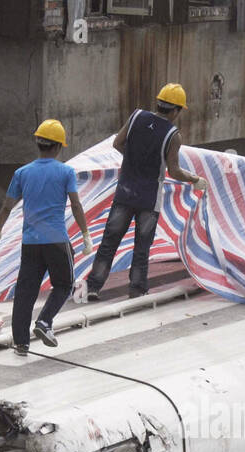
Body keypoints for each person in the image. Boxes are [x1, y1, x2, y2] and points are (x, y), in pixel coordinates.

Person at [84, 83, 207, 301]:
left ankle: (93, 287)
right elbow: (174, 170)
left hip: (124, 192)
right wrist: (194, 179)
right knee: (142, 247)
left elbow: (117, 143)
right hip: (149, 200)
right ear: (176, 110)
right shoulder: (173, 135)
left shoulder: (136, 117)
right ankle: (137, 289)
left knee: (109, 241)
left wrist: (132, 158)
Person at [0, 119, 92, 356]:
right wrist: (86, 234)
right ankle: (44, 322)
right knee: (64, 284)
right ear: (58, 147)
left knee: (25, 291)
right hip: (57, 240)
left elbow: (6, 206)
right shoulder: (66, 172)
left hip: (30, 243)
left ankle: (21, 343)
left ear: (38, 143)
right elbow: (76, 205)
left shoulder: (21, 173)